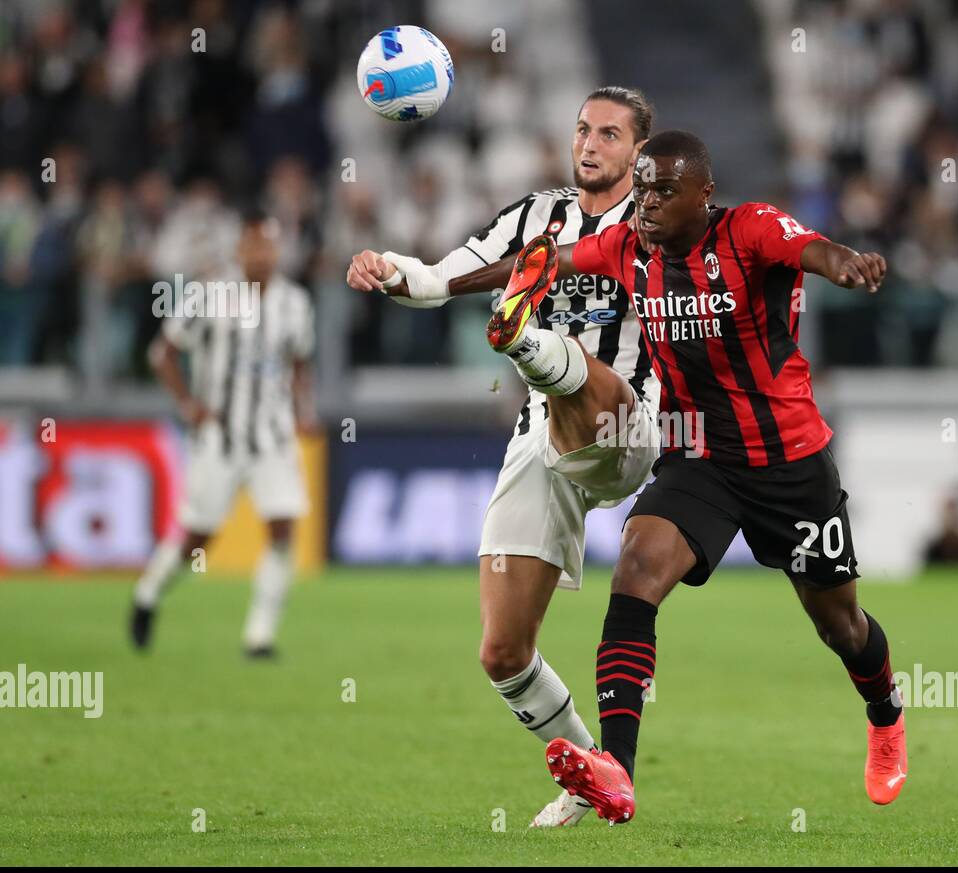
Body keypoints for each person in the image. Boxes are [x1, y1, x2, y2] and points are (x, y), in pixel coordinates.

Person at [440, 130, 904, 824]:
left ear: (703, 195)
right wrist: (438, 284)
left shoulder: (748, 230)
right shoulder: (630, 248)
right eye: (643, 187)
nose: (646, 202)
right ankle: (616, 774)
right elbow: (546, 260)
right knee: (636, 571)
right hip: (699, 460)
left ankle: (885, 716)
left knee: (840, 625)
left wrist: (847, 266)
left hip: (789, 463)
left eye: (662, 190)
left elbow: (811, 251)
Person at [346, 87, 660, 827]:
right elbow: (434, 279)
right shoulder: (532, 216)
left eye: (609, 135)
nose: (589, 144)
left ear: (639, 153)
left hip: (629, 427)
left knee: (581, 370)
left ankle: (522, 338)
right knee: (502, 652)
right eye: (582, 129)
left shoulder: (659, 224)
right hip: (542, 436)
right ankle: (595, 775)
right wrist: (388, 267)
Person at [131, 209, 316, 658]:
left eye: (269, 246)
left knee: (282, 528)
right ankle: (149, 592)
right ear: (239, 249)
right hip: (219, 436)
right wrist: (188, 405)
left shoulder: (295, 302)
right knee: (199, 537)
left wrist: (301, 412)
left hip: (271, 437)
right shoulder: (210, 294)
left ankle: (259, 635)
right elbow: (163, 353)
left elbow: (297, 364)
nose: (261, 255)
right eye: (253, 245)